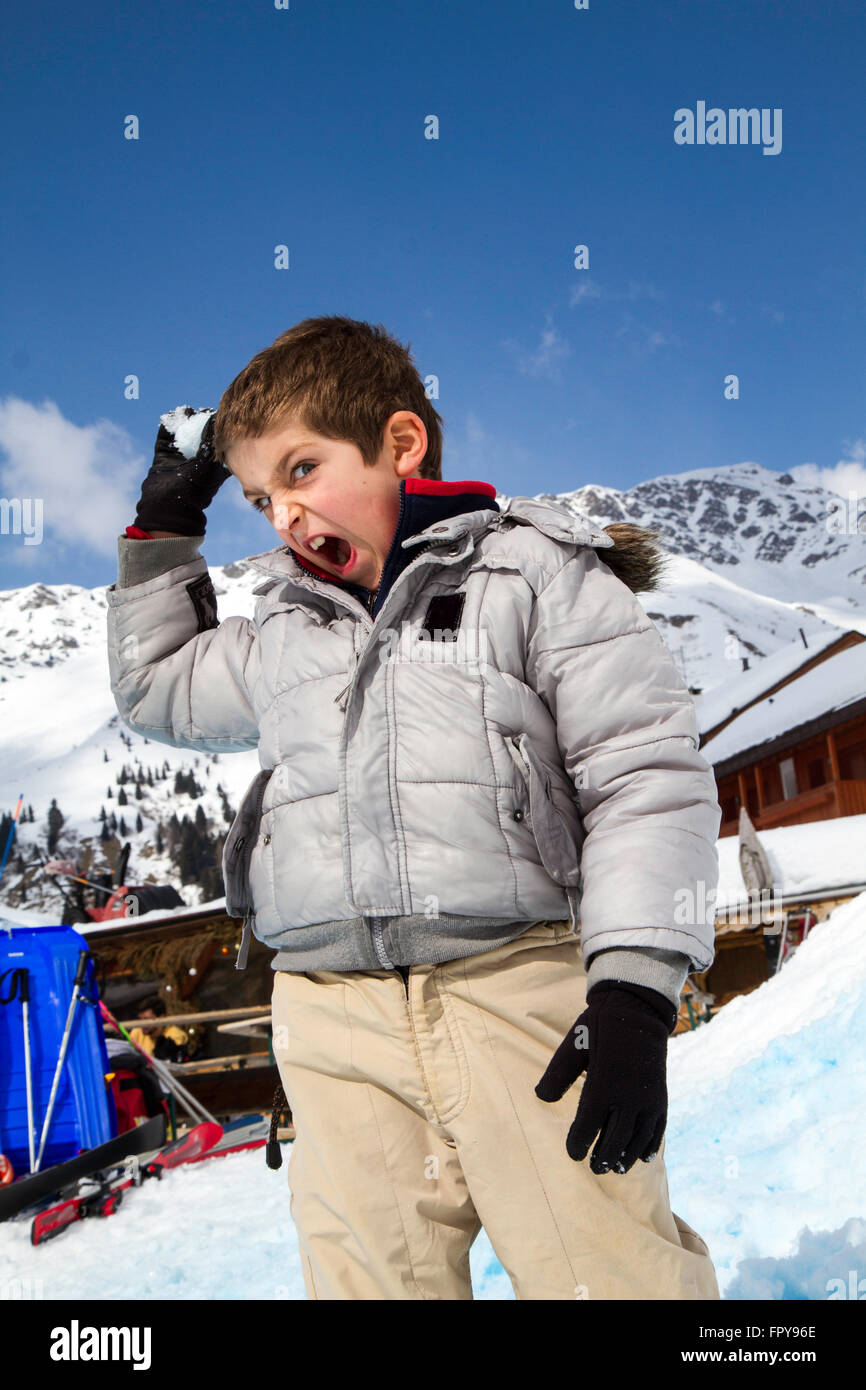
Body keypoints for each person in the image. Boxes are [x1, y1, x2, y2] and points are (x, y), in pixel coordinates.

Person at [105, 315, 722, 1300]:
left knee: (603, 1275)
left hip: (515, 986)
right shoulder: (279, 627)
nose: (281, 514)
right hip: (332, 1011)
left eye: (301, 470)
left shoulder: (533, 577)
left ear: (400, 443)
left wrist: (635, 987)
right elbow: (157, 686)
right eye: (262, 496)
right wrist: (166, 525)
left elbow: (643, 777)